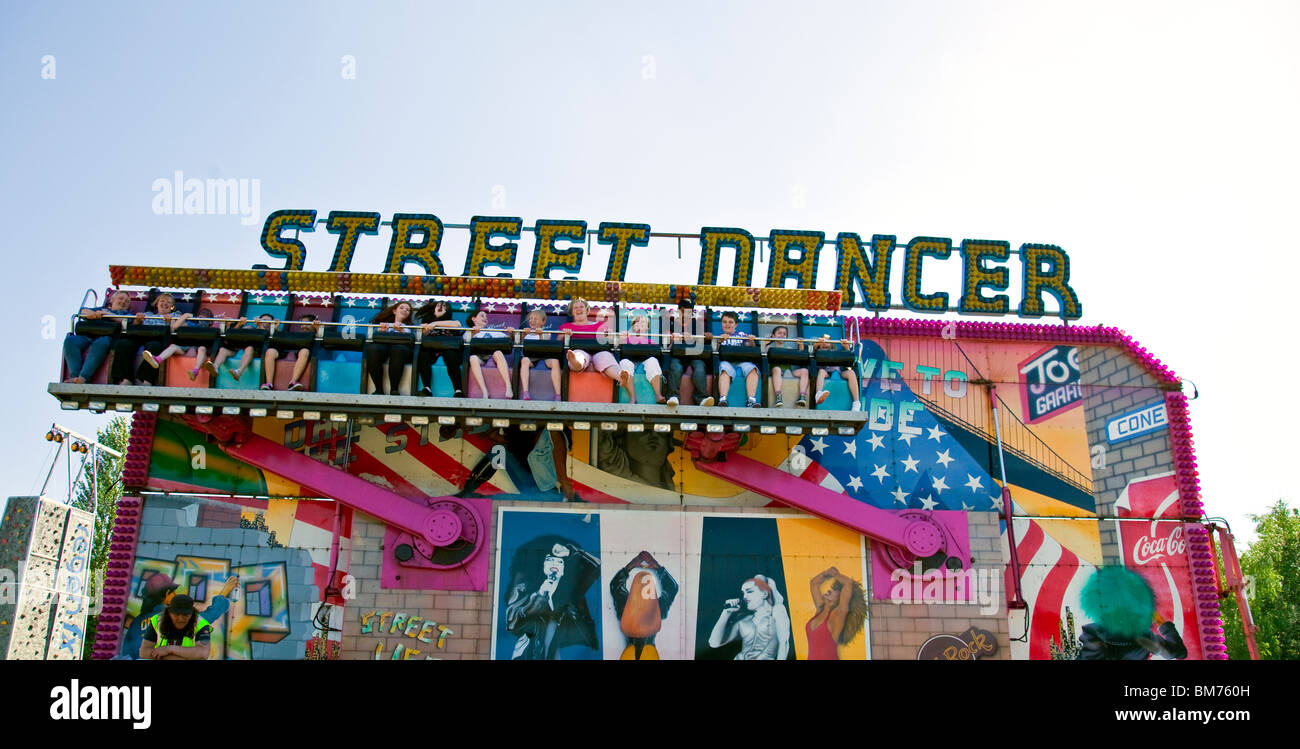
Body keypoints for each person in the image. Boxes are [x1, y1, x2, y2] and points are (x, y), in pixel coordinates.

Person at [503, 536, 601, 660]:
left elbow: (596, 565)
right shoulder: (525, 588)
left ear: (563, 570)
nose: (555, 563)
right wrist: (539, 597)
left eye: (559, 562)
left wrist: (571, 551)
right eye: (550, 560)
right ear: (543, 565)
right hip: (528, 654)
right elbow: (512, 623)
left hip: (554, 652)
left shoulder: (569, 592)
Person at [121, 574, 238, 659]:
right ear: (167, 594)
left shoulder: (138, 622)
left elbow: (128, 652)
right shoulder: (166, 617)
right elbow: (209, 615)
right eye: (173, 592)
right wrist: (224, 592)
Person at [610, 551, 679, 660]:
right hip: (648, 651)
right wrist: (656, 566)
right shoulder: (657, 607)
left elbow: (615, 586)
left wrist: (631, 565)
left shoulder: (625, 604)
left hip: (632, 651)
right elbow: (672, 587)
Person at [110, 292, 186, 386]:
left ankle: (147, 380)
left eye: (168, 302)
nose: (165, 303)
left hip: (159, 337)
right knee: (124, 344)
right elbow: (134, 327)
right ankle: (125, 378)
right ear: (157, 304)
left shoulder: (175, 315)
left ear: (172, 307)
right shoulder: (147, 314)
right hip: (142, 335)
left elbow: (183, 326)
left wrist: (172, 321)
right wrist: (138, 320)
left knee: (154, 346)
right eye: (162, 301)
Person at [708, 575, 790, 660]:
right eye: (743, 593)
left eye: (749, 592)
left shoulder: (777, 611)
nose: (744, 597)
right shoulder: (743, 619)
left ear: (764, 594)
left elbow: (784, 643)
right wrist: (726, 613)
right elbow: (714, 643)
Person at [63, 290, 132, 384]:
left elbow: (127, 324)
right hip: (88, 335)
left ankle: (83, 378)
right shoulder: (101, 309)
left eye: (127, 301)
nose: (123, 302)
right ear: (111, 300)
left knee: (101, 343)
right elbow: (82, 311)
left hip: (107, 336)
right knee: (70, 341)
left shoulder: (127, 314)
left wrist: (109, 316)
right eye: (121, 298)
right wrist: (90, 314)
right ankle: (74, 376)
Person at [560, 298, 622, 393]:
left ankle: (620, 377)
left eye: (581, 307)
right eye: (575, 308)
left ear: (587, 310)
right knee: (578, 354)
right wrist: (565, 335)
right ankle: (575, 362)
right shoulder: (567, 326)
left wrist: (609, 336)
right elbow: (558, 341)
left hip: (598, 352)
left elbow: (612, 340)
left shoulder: (599, 325)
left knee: (605, 356)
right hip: (579, 351)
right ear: (572, 312)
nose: (578, 309)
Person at [805, 567, 867, 660]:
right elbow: (813, 583)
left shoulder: (838, 614)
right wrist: (825, 574)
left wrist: (836, 575)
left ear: (840, 599)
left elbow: (848, 583)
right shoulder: (820, 610)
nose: (829, 591)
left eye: (834, 591)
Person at [664, 297, 713, 407]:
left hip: (693, 355)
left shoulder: (696, 324)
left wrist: (706, 338)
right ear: (679, 311)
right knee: (676, 367)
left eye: (689, 311)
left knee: (700, 366)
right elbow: (666, 345)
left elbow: (700, 344)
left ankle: (701, 398)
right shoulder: (671, 323)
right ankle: (673, 396)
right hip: (676, 354)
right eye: (683, 311)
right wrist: (674, 339)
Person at [414, 299, 464, 397]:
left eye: (444, 306)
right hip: (431, 347)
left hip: (448, 346)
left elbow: (457, 325)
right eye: (438, 306)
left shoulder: (453, 321)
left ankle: (458, 390)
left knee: (451, 355)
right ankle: (426, 388)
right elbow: (423, 334)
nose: (440, 307)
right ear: (434, 311)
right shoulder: (427, 322)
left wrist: (435, 324)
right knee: (423, 355)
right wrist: (425, 328)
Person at [139, 594, 213, 660]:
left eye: (185, 614)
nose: (180, 619)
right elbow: (144, 651)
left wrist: (169, 649)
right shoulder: (157, 620)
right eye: (176, 614)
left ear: (193, 613)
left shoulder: (201, 624)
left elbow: (203, 653)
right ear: (168, 612)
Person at [363, 301, 415, 395]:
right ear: (394, 311)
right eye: (402, 308)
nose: (405, 310)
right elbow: (371, 337)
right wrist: (381, 331)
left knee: (397, 349)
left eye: (408, 310)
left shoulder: (411, 327)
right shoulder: (384, 324)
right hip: (385, 347)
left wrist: (402, 330)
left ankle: (394, 389)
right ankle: (378, 389)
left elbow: (414, 340)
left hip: (402, 350)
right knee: (373, 349)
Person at [209, 314, 276, 383]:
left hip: (256, 351)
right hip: (238, 348)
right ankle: (215, 367)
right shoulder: (251, 328)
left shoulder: (272, 332)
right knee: (223, 350)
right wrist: (239, 324)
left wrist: (260, 326)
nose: (266, 322)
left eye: (269, 321)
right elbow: (234, 335)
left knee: (249, 348)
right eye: (264, 320)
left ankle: (239, 372)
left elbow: (265, 337)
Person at [464, 308, 514, 399]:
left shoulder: (491, 331)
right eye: (482, 315)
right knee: (473, 358)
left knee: (498, 352)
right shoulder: (468, 332)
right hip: (480, 357)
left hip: (492, 355)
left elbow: (507, 338)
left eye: (486, 316)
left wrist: (511, 333)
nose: (485, 318)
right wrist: (473, 333)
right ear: (473, 319)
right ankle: (485, 391)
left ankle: (508, 386)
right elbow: (466, 344)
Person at [263, 314, 321, 391]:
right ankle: (269, 384)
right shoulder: (299, 335)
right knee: (270, 351)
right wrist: (276, 329)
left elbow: (319, 339)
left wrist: (317, 328)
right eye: (302, 324)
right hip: (286, 351)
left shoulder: (317, 333)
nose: (303, 326)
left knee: (304, 351)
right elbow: (283, 338)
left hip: (306, 353)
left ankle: (293, 382)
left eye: (307, 324)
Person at [616, 313, 665, 404]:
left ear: (647, 328)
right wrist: (620, 340)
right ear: (633, 327)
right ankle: (632, 397)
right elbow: (618, 350)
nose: (639, 325)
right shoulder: (626, 339)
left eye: (642, 323)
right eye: (636, 323)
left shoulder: (652, 342)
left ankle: (658, 395)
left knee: (653, 361)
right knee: (625, 363)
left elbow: (662, 352)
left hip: (645, 361)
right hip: (630, 360)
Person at [715, 311, 760, 408]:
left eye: (730, 322)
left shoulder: (742, 335)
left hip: (742, 361)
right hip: (727, 361)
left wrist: (752, 341)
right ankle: (723, 399)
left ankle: (751, 400)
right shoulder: (718, 337)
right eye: (724, 322)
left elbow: (750, 347)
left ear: (736, 325)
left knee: (752, 369)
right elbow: (715, 352)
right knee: (724, 369)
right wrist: (719, 342)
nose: (727, 324)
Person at [518, 308, 562, 401]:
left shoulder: (546, 333)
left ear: (543, 322)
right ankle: (526, 392)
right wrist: (523, 335)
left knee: (555, 362)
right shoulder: (527, 332)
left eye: (536, 319)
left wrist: (540, 335)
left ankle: (558, 394)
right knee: (524, 360)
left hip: (544, 355)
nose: (532, 321)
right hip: (531, 356)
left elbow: (543, 345)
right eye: (531, 318)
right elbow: (521, 345)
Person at [766, 325, 810, 408]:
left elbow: (800, 356)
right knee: (777, 369)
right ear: (773, 335)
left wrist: (801, 344)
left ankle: (802, 395)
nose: (782, 335)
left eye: (784, 333)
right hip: (775, 371)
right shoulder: (770, 347)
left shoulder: (789, 348)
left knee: (805, 371)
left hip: (788, 371)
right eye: (779, 333)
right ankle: (778, 396)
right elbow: (764, 354)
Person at [813, 336, 861, 411]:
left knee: (851, 373)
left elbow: (848, 356)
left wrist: (846, 347)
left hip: (839, 372)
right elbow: (814, 350)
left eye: (827, 342)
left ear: (831, 344)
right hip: (826, 372)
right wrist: (817, 344)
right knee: (821, 372)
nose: (824, 343)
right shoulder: (818, 352)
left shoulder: (836, 352)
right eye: (823, 342)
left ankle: (856, 402)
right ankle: (818, 394)